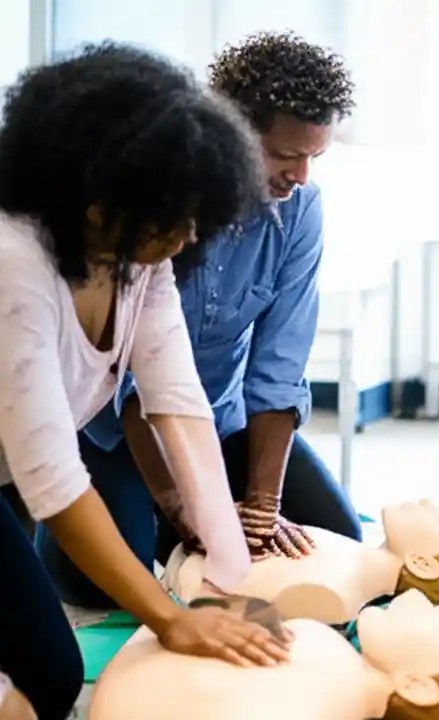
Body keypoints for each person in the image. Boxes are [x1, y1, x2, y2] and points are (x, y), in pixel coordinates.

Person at [0, 43, 293, 720]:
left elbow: (180, 403)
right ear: (100, 206)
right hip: (26, 477)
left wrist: (225, 578)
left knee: (48, 677)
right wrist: (168, 617)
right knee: (26, 699)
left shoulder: (138, 256)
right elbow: (53, 482)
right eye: (176, 218)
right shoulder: (17, 265)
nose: (190, 237)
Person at [37, 31, 362, 609]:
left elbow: (278, 367)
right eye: (286, 157)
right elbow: (140, 386)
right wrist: (184, 508)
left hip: (219, 420)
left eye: (314, 157)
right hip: (117, 430)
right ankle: (123, 519)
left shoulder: (301, 213)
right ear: (231, 138)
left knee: (335, 540)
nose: (301, 178)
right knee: (99, 581)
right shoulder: (158, 212)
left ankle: (197, 518)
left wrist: (262, 509)